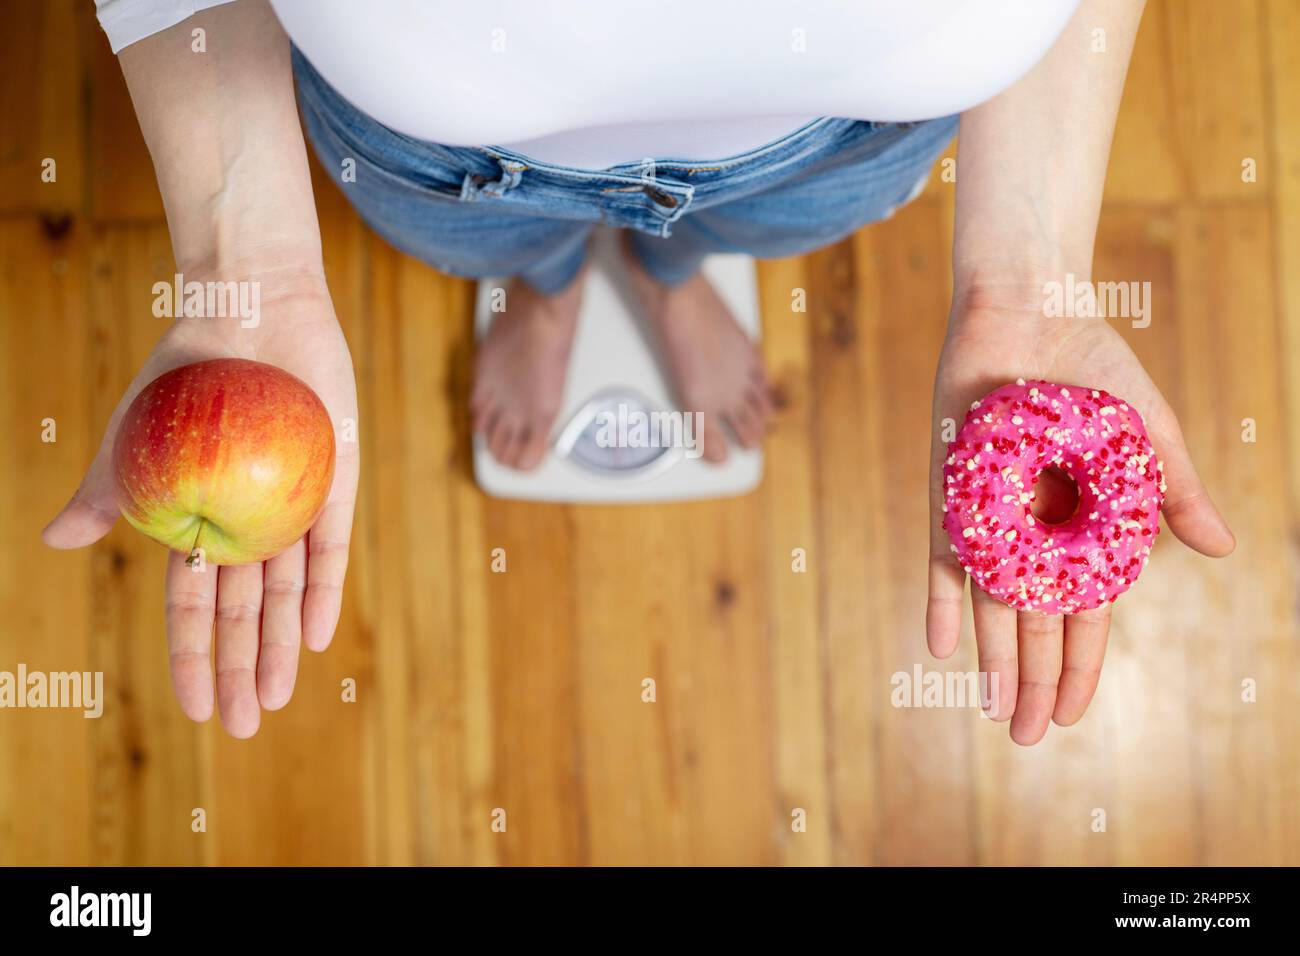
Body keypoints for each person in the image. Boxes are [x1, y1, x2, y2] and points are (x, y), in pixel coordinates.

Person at [45, 0, 1234, 742]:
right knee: (505, 251)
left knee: (752, 230)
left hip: (847, 135)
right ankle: (553, 290)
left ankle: (667, 279)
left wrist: (1024, 277)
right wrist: (243, 255)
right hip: (452, 161)